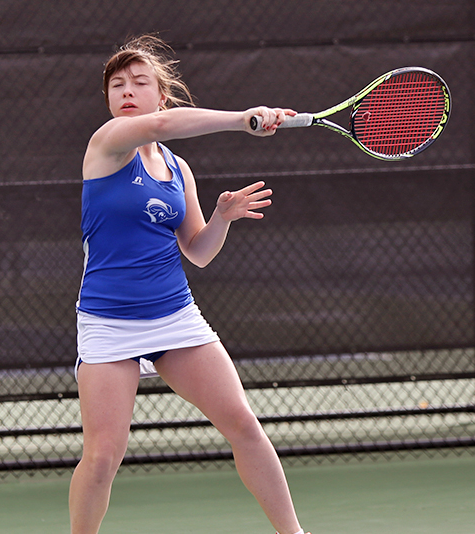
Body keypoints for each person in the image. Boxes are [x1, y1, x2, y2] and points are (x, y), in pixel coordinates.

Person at [71, 34, 309, 534]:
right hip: (108, 321)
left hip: (175, 315)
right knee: (103, 456)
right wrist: (243, 118)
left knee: (244, 426)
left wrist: (221, 218)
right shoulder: (107, 144)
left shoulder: (178, 169)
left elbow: (197, 252)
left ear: (162, 93)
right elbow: (157, 127)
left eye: (140, 83)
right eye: (118, 85)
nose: (127, 92)